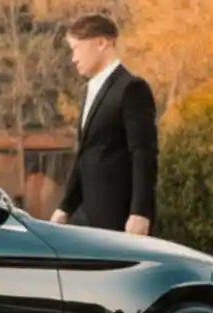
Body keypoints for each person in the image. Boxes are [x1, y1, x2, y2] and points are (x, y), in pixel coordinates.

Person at [50, 14, 158, 236]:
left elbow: (143, 153)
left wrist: (140, 212)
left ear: (101, 43)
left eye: (76, 48)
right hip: (86, 219)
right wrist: (65, 208)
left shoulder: (132, 88)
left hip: (119, 219)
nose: (73, 58)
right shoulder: (88, 91)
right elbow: (86, 155)